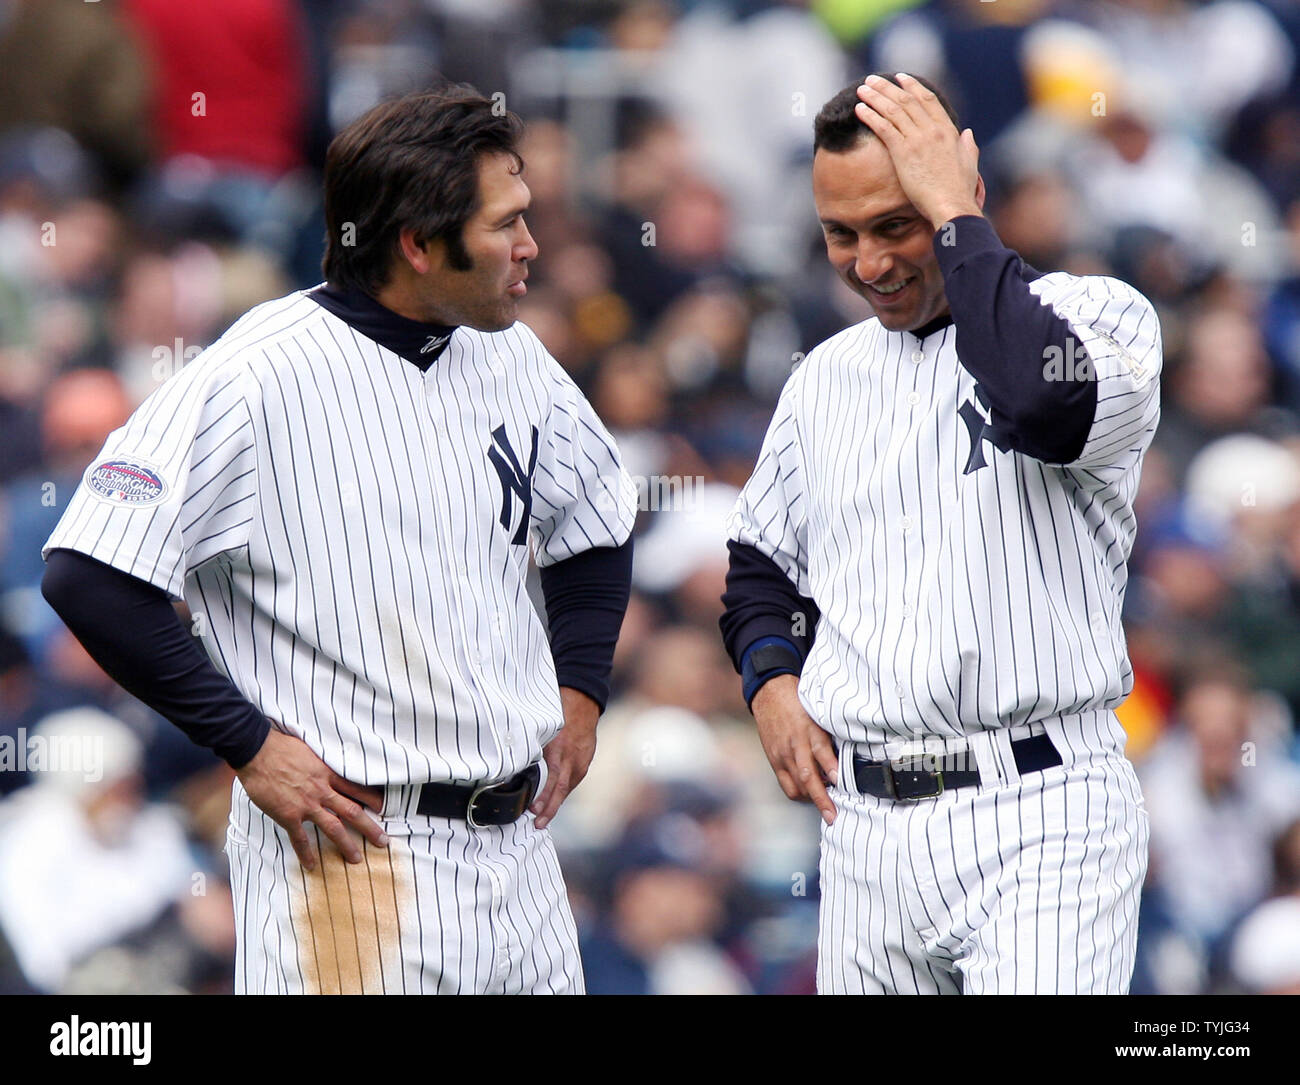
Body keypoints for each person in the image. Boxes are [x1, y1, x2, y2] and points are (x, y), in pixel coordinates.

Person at [41, 86, 637, 994]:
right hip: (355, 857)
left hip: (521, 853)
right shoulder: (260, 372)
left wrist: (583, 688)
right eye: (506, 224)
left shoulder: (511, 352)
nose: (531, 246)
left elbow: (595, 523)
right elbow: (86, 573)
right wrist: (244, 741)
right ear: (417, 244)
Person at [719, 72, 1161, 994]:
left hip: (1043, 807)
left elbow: (1042, 401)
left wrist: (951, 212)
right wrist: (770, 681)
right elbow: (760, 561)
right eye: (842, 233)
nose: (869, 263)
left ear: (964, 201)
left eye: (896, 224)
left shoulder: (1102, 315)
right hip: (866, 828)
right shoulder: (826, 376)